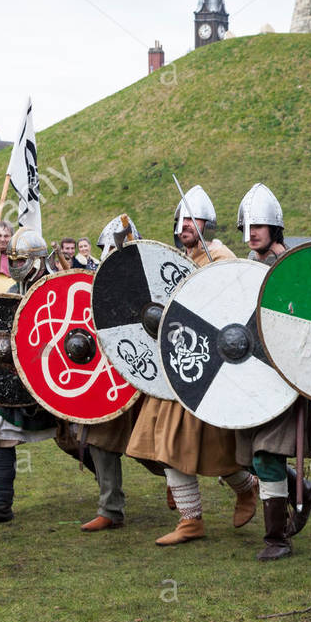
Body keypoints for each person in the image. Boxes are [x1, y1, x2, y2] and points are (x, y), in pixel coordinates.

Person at [126, 186, 259, 546]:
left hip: (207, 371)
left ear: (208, 224)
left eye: (192, 219)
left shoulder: (220, 258)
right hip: (174, 369)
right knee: (162, 443)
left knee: (214, 449)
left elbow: (236, 313)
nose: (185, 225)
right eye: (181, 219)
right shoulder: (175, 258)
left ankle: (247, 488)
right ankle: (191, 520)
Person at [235, 183, 311, 559]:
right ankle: (303, 488)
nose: (253, 232)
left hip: (285, 377)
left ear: (275, 227)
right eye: (248, 225)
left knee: (267, 454)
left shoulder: (290, 266)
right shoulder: (249, 268)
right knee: (251, 456)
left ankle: (277, 539)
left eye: (260, 225)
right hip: (252, 376)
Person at [0, 228, 60, 528]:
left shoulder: (58, 288)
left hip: (61, 381)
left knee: (82, 441)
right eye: (12, 259)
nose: (16, 264)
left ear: (37, 259)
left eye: (20, 259)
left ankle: (111, 503)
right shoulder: (10, 294)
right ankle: (0, 507)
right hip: (19, 384)